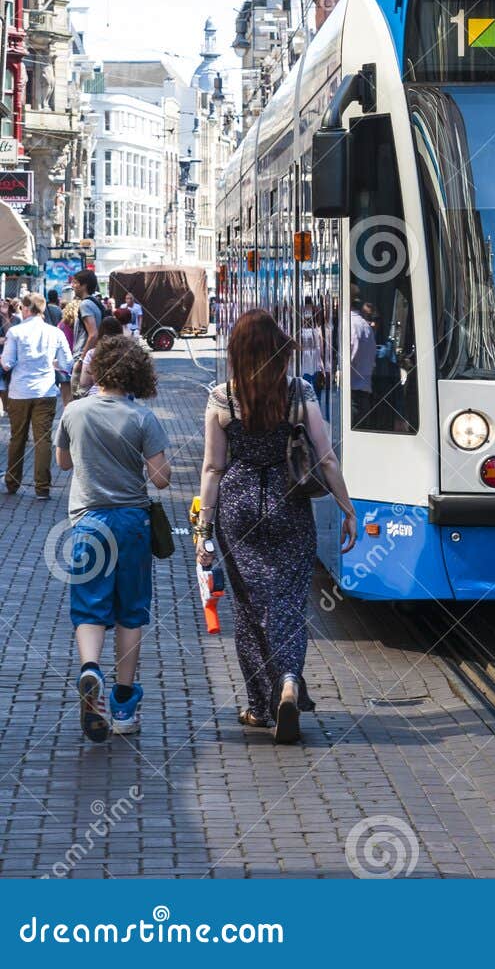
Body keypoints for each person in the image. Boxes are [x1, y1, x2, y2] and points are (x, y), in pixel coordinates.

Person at [196, 309, 357, 742]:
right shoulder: (299, 393)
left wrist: (202, 530)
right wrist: (348, 509)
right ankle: (289, 681)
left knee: (249, 609)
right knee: (288, 600)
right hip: (289, 502)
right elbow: (325, 457)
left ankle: (258, 706)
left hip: (238, 504)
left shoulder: (221, 398)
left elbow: (213, 467)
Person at [55, 338, 170, 741]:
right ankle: (123, 704)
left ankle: (90, 670)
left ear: (97, 369)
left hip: (88, 522)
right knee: (131, 611)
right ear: (138, 373)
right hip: (132, 523)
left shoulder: (73, 411)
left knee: (89, 606)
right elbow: (160, 478)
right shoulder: (143, 418)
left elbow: (64, 462)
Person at [2, 294, 72, 499]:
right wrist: (53, 365)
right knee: (43, 439)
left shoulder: (16, 332)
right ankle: (42, 487)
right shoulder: (55, 332)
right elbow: (66, 362)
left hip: (19, 392)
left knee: (18, 438)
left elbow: (7, 363)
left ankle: (12, 482)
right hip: (46, 390)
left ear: (26, 308)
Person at [70, 270, 105, 396]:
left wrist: (81, 360)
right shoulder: (95, 302)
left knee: (79, 398)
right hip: (93, 356)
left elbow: (93, 334)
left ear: (84, 285)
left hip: (84, 358)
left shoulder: (85, 304)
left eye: (75, 283)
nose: (72, 286)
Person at [79, 316, 127, 393]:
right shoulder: (127, 352)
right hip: (122, 397)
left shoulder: (91, 353)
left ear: (100, 332)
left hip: (96, 396)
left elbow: (84, 382)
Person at [350, 299, 378, 421]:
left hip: (354, 391)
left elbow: (353, 352)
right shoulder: (367, 327)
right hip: (364, 390)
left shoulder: (352, 323)